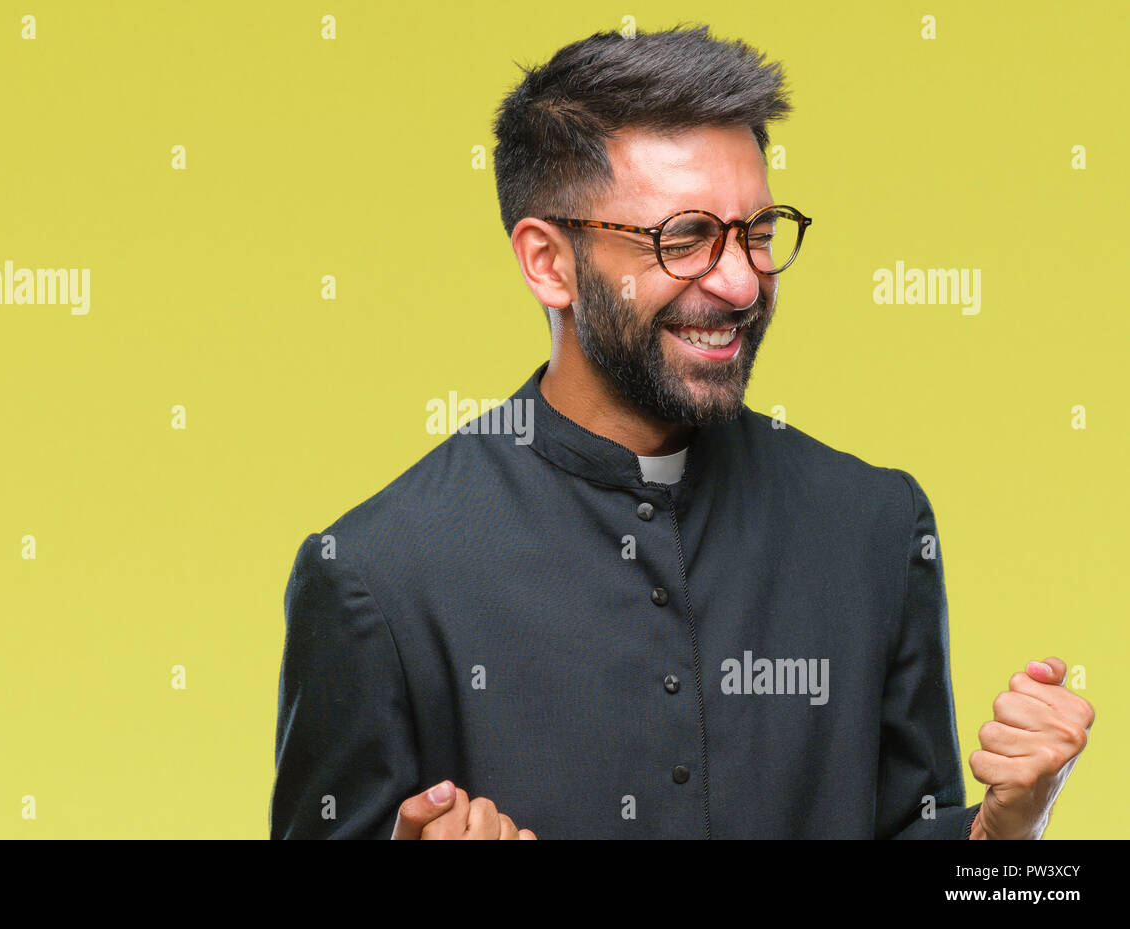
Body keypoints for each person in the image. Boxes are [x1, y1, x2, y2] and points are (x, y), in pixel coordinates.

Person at [270, 23, 1092, 840]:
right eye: (685, 238)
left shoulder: (874, 523)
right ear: (548, 263)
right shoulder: (374, 576)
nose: (740, 282)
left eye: (759, 233)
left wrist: (1004, 836)